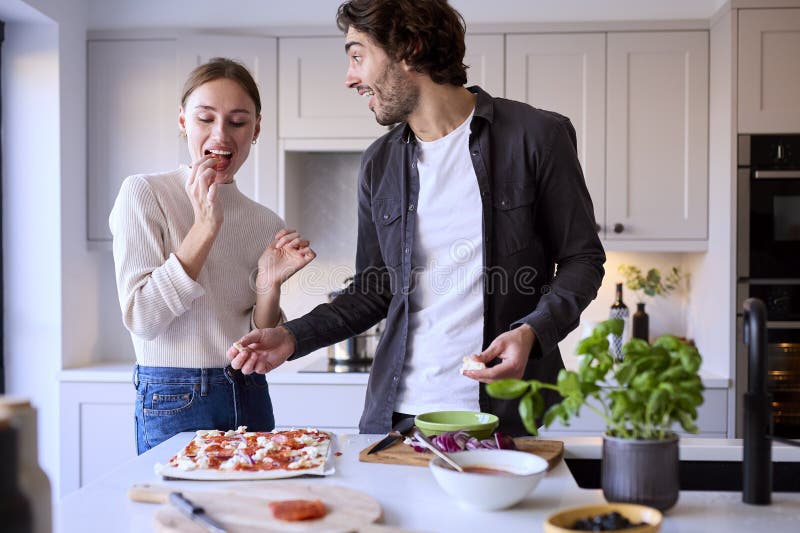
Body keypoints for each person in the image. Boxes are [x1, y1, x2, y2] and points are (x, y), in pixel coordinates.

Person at [227, 0, 605, 436]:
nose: (350, 78)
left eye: (357, 55)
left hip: (508, 412)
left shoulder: (536, 136)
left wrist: (532, 333)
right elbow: (374, 290)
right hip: (398, 415)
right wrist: (293, 336)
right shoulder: (379, 163)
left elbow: (583, 260)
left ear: (408, 49)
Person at [110, 57, 316, 454]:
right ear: (184, 121)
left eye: (238, 122)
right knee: (181, 513)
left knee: (252, 508)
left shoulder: (263, 220)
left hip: (248, 389)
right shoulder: (144, 194)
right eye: (206, 118)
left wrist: (268, 287)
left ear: (256, 130)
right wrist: (204, 227)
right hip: (174, 396)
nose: (221, 134)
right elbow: (142, 318)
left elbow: (256, 334)